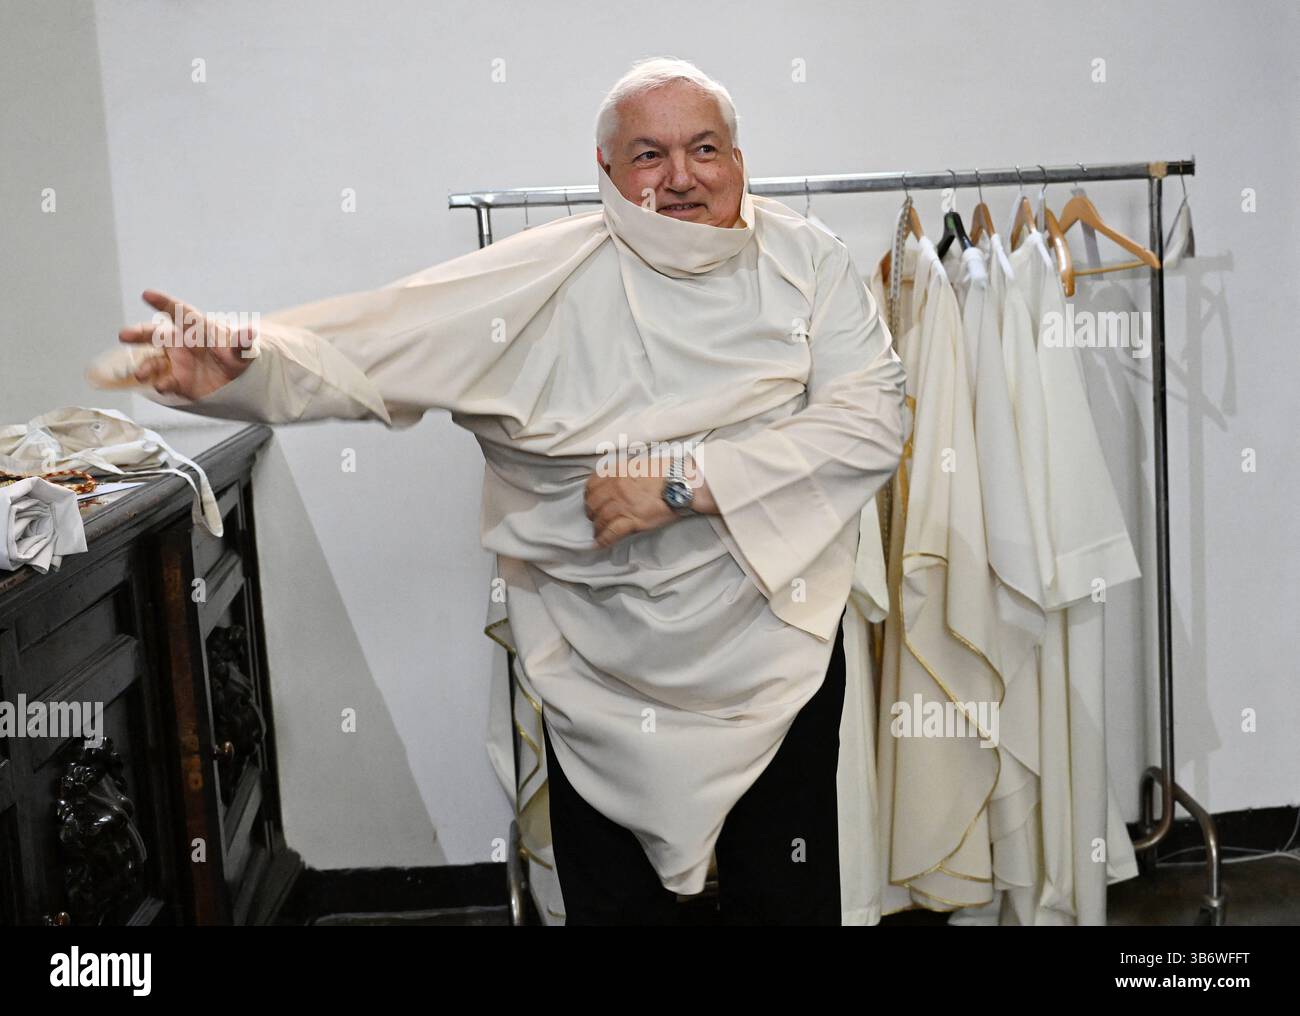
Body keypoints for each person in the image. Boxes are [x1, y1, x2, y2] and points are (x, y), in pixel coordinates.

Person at [119, 56, 907, 925]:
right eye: (649, 155)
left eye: (705, 149)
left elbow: (872, 424)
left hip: (777, 647)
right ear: (605, 172)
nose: (681, 178)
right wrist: (248, 364)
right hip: (600, 666)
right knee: (615, 904)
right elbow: (382, 344)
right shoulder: (536, 279)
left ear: (740, 160)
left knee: (786, 893)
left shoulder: (810, 261)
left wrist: (685, 481)